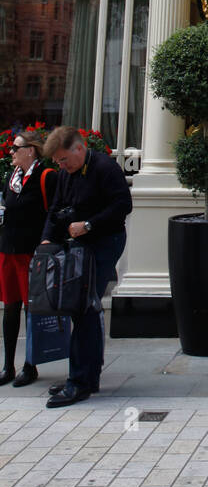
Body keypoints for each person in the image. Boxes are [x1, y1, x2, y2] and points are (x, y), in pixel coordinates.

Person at [39, 126, 132, 407]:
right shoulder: (67, 174)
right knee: (84, 308)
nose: (61, 165)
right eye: (57, 162)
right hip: (80, 243)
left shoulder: (105, 168)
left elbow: (123, 205)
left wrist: (89, 224)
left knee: (83, 306)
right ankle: (86, 376)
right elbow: (56, 208)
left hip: (105, 242)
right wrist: (46, 239)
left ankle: (80, 380)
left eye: (64, 159)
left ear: (79, 148)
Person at [0, 130, 58, 387]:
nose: (11, 152)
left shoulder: (45, 177)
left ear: (31, 150)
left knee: (30, 309)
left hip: (30, 253)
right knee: (9, 307)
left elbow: (53, 213)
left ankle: (30, 365)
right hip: (7, 251)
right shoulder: (11, 177)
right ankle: (8, 366)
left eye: (16, 147)